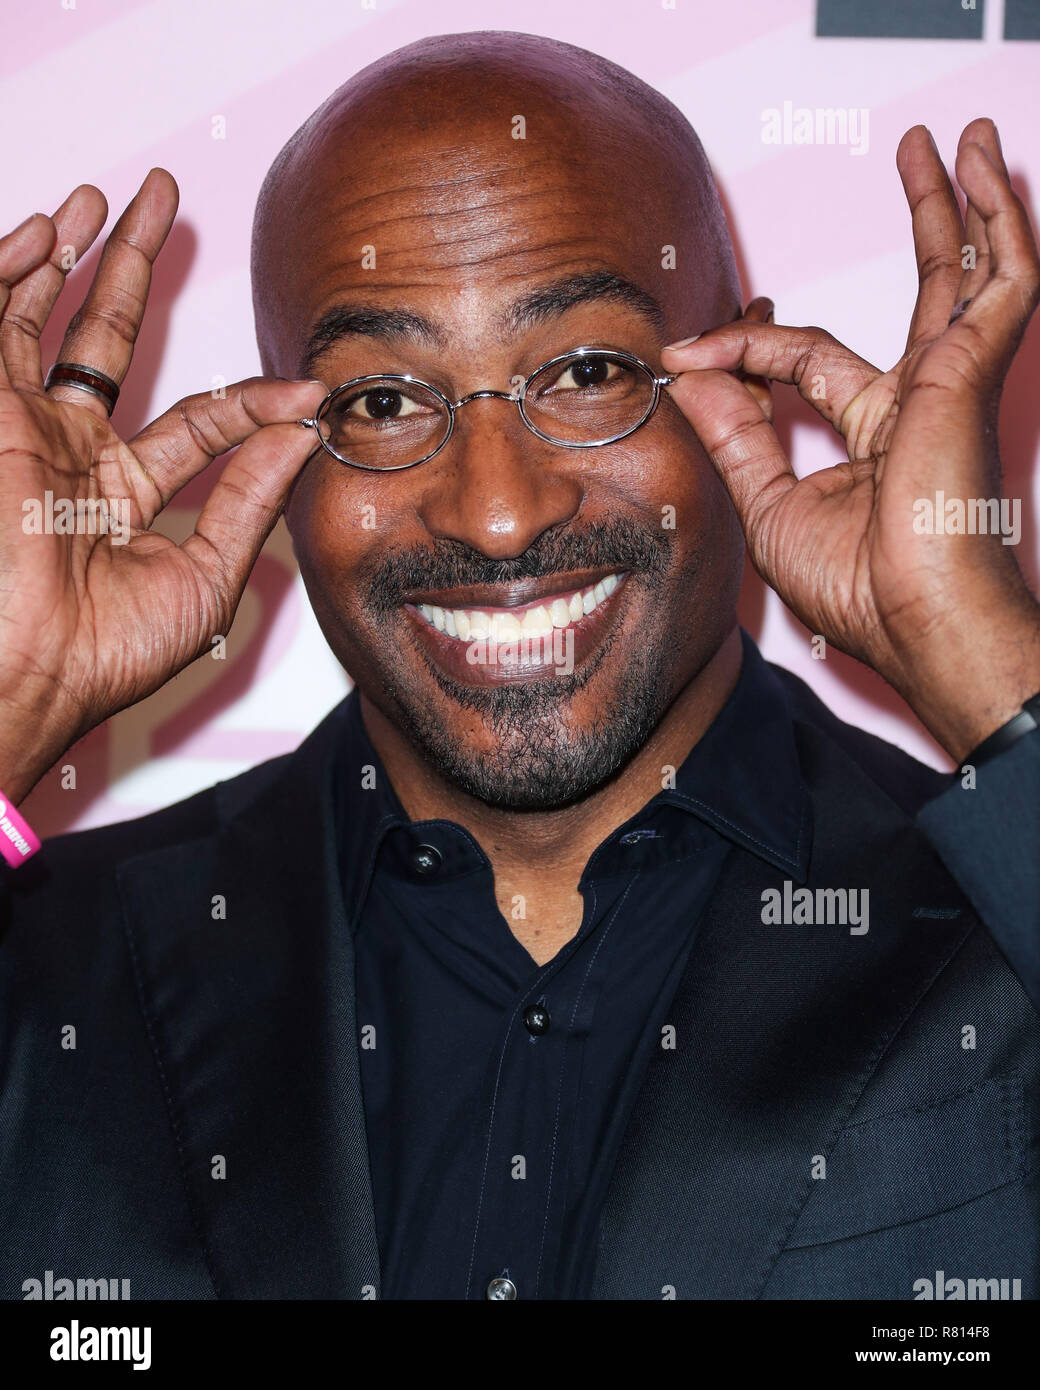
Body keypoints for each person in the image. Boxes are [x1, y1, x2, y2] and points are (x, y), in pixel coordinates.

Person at [0, 30, 1037, 1302]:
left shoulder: (997, 915)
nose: (495, 512)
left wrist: (981, 650)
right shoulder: (52, 964)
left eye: (590, 372)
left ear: (748, 384)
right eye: (380, 400)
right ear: (275, 452)